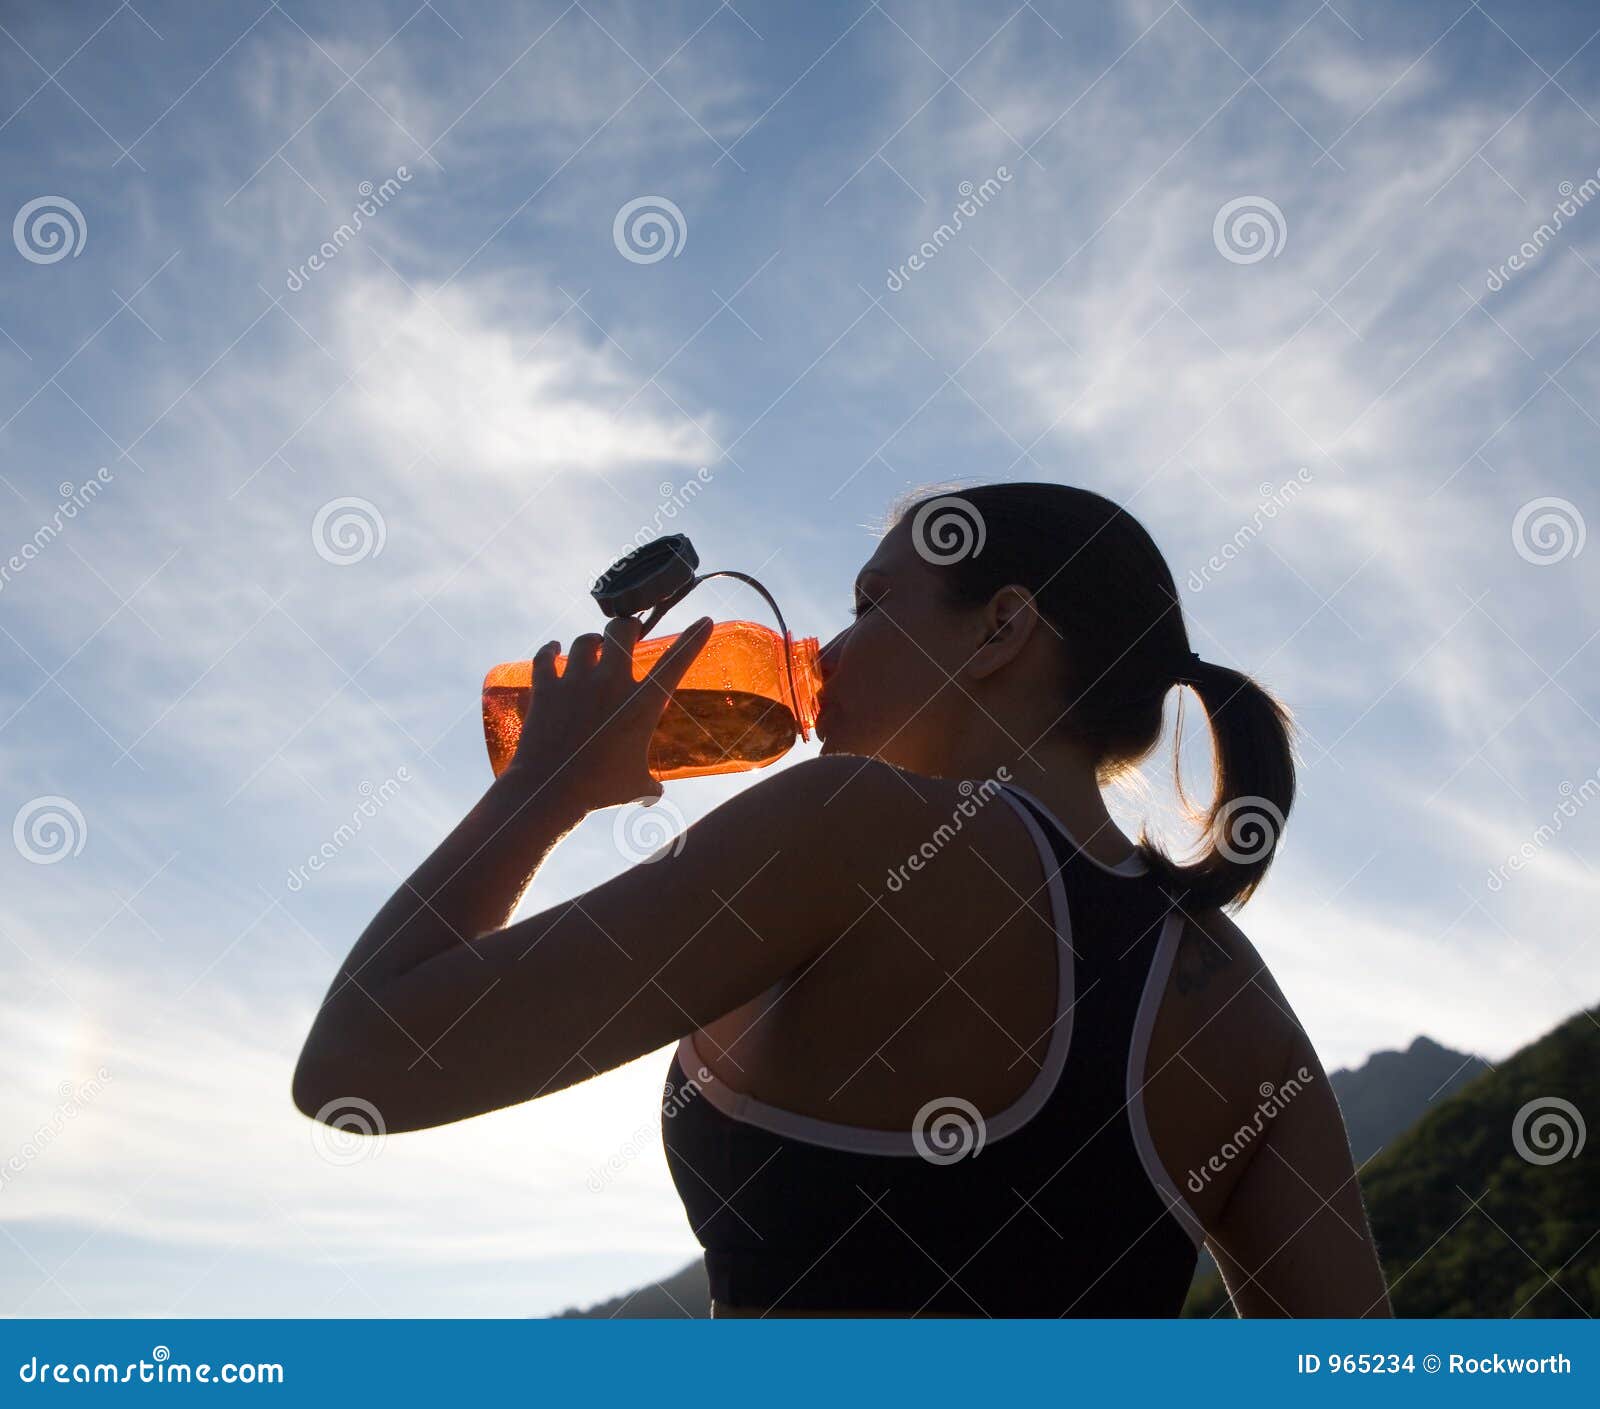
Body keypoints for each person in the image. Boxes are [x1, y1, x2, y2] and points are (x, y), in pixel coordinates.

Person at [293, 480, 1392, 1318]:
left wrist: (548, 785)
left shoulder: (854, 826)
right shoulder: (1239, 1002)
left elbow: (360, 1064)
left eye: (871, 602)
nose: (824, 650)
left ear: (1000, 629)